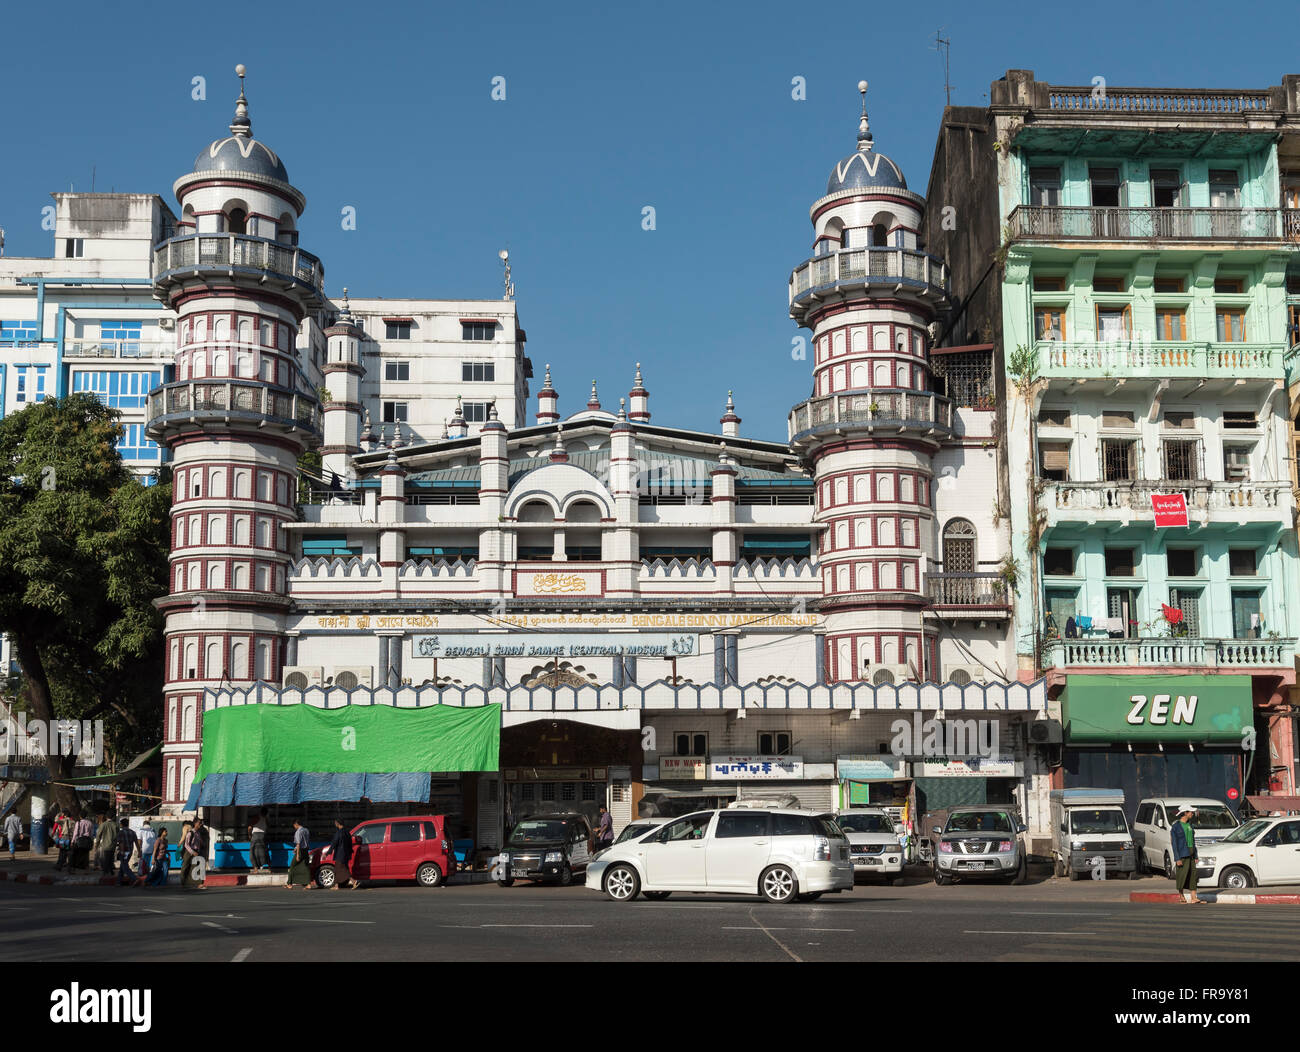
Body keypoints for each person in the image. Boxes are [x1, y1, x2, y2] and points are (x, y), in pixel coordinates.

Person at [1171, 806, 1205, 905]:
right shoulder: (1176, 827)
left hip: (1191, 853)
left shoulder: (1190, 825)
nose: (1192, 814)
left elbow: (1193, 841)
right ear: (1185, 813)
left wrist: (1196, 855)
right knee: (1182, 875)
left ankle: (1194, 897)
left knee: (1193, 875)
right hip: (1182, 854)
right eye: (1191, 812)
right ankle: (1181, 895)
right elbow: (1174, 844)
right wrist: (1177, 858)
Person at [310, 818, 355, 890]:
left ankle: (354, 881)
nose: (335, 824)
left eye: (335, 823)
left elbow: (333, 844)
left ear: (338, 823)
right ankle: (336, 885)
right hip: (346, 854)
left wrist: (327, 854)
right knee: (339, 869)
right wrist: (349, 852)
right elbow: (350, 844)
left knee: (341, 869)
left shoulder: (339, 833)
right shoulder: (347, 832)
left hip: (340, 854)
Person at [284, 818, 312, 889]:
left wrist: (297, 854)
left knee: (292, 866)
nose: (294, 827)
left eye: (294, 825)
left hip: (300, 851)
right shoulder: (306, 830)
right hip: (306, 850)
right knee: (306, 867)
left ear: (296, 824)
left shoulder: (298, 832)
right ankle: (308, 884)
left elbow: (298, 843)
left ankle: (289, 884)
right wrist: (295, 849)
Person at [181, 817, 207, 890]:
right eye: (199, 823)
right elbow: (186, 845)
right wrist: (192, 852)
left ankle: (200, 884)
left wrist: (203, 845)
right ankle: (183, 883)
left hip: (196, 851)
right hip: (189, 851)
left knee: (199, 866)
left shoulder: (198, 833)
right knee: (185, 867)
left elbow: (200, 842)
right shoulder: (190, 833)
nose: (200, 824)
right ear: (195, 823)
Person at [96, 812, 120, 876]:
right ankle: (110, 870)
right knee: (111, 857)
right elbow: (119, 835)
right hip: (113, 844)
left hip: (105, 844)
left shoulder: (103, 824)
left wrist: (97, 844)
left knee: (106, 858)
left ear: (106, 817)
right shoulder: (116, 825)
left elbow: (98, 835)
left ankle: (106, 871)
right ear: (113, 817)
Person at [115, 821, 139, 886]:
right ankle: (118, 882)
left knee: (125, 867)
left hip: (124, 852)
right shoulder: (132, 832)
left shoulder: (121, 832)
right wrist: (139, 852)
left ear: (122, 824)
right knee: (122, 866)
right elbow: (137, 843)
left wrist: (122, 852)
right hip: (130, 852)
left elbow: (121, 843)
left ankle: (134, 878)